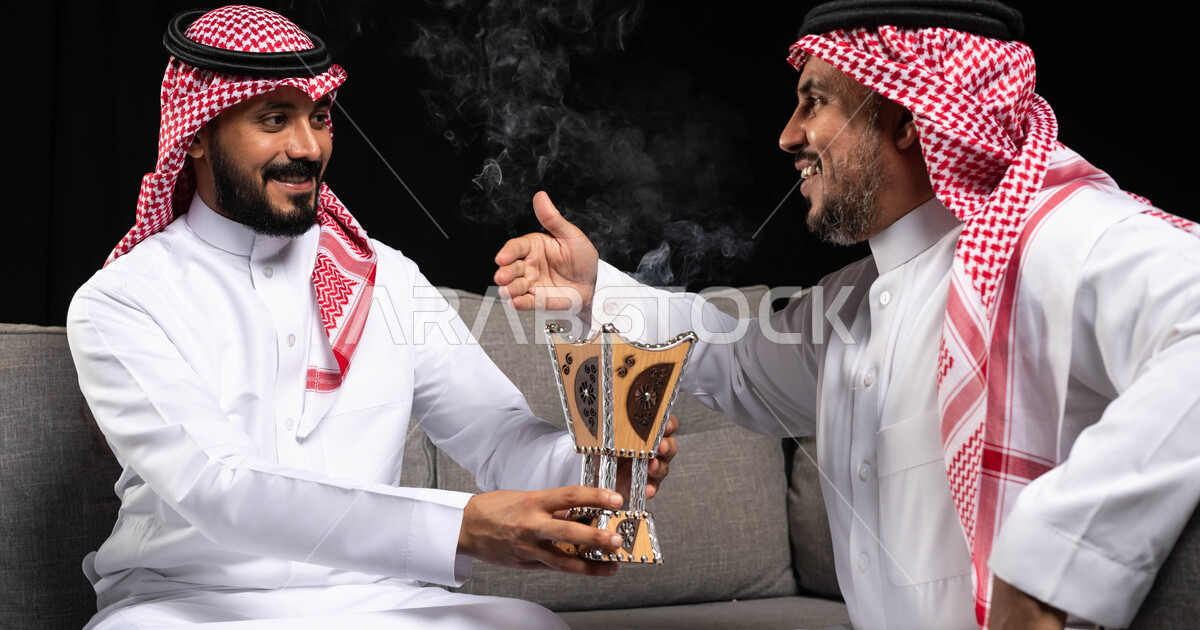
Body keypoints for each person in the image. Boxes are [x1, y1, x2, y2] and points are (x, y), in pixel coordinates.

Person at [493, 1, 1200, 628]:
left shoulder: (1062, 240)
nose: (788, 136)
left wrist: (1050, 562)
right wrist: (595, 290)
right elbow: (732, 362)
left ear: (907, 117)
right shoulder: (854, 297)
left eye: (815, 100)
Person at [67, 6, 676, 629]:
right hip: (190, 604)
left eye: (320, 119)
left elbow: (498, 435)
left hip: (376, 601)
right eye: (274, 119)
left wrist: (602, 467)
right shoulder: (123, 300)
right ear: (196, 132)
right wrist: (461, 528)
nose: (307, 148)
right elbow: (223, 489)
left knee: (532, 625)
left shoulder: (384, 276)